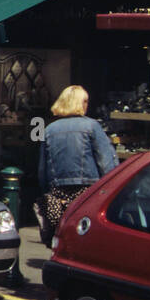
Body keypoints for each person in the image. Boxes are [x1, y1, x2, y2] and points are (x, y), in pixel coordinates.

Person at [36, 85, 118, 247]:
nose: (87, 105)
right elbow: (105, 161)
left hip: (58, 191)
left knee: (63, 230)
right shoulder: (92, 126)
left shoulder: (50, 129)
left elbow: (42, 169)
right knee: (87, 233)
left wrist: (46, 190)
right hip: (87, 189)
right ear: (77, 103)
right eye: (85, 101)